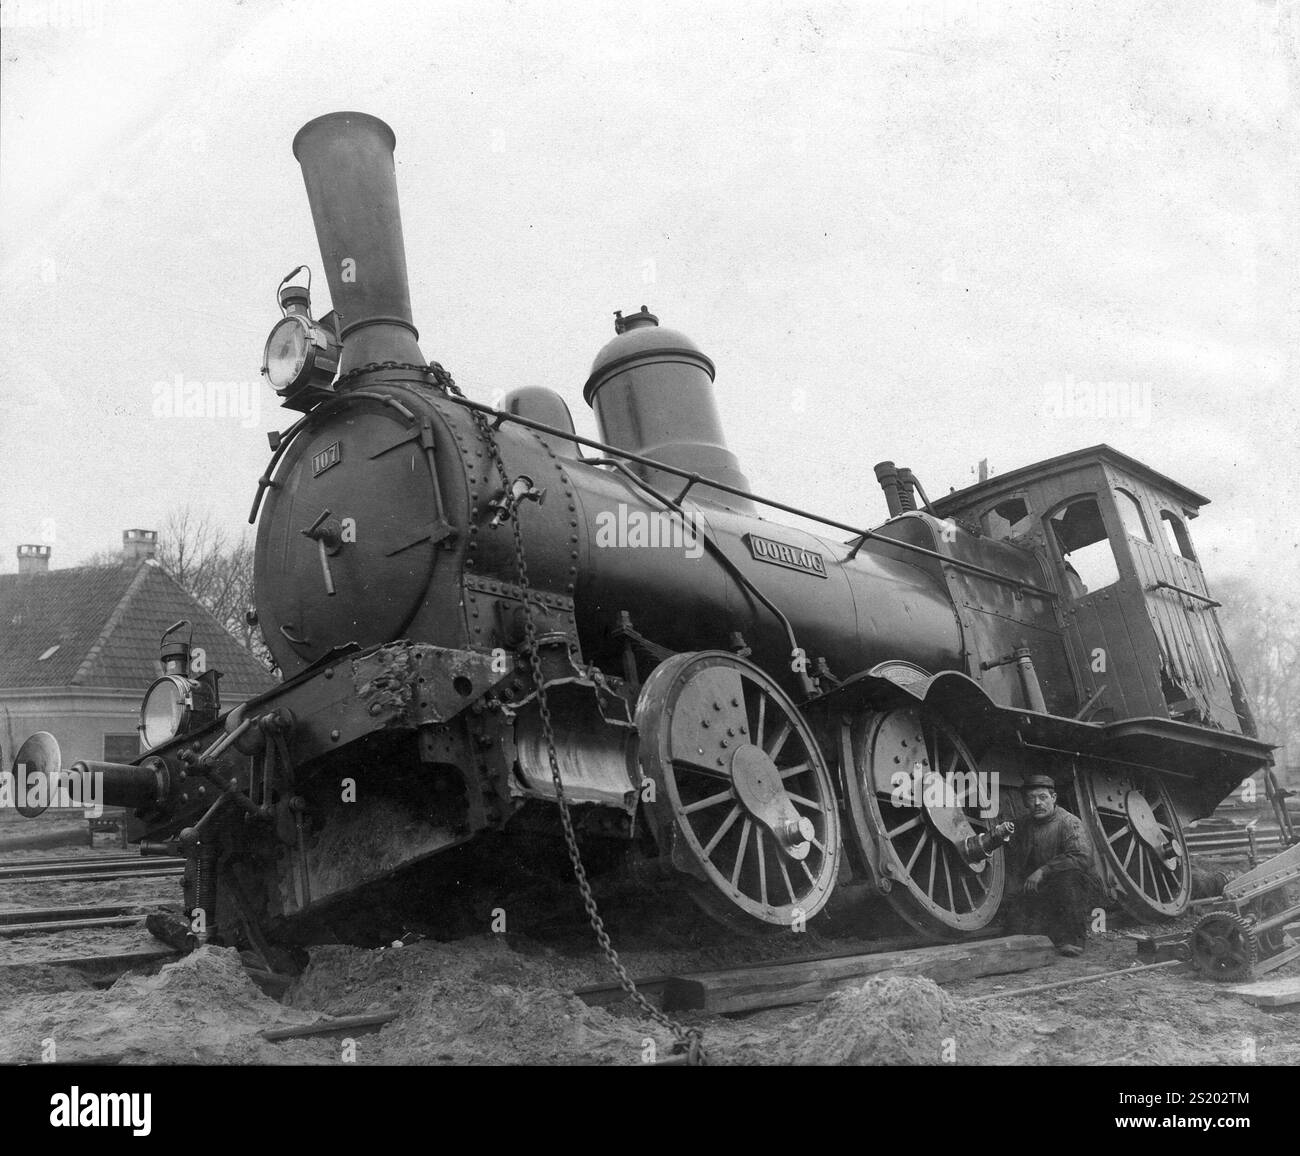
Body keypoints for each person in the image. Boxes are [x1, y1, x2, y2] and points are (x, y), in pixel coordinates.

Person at [1002, 774, 1101, 956]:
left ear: (1053, 798)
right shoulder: (1022, 824)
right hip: (1040, 887)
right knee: (1013, 930)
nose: (1037, 803)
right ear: (1025, 802)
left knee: (1069, 877)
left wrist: (1043, 870)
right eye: (1031, 799)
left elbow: (1081, 857)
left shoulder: (1069, 822)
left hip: (1074, 888)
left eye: (1043, 797)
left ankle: (1072, 941)